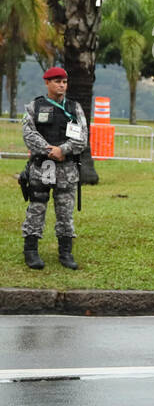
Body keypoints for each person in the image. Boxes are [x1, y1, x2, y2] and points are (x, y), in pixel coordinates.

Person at [21, 67, 87, 270]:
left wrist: (63, 149)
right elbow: (28, 134)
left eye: (64, 82)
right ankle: (31, 251)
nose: (62, 85)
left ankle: (65, 252)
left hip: (66, 169)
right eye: (57, 81)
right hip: (42, 167)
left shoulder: (74, 108)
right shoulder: (34, 106)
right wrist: (50, 150)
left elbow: (82, 137)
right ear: (47, 82)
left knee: (65, 212)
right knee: (36, 209)